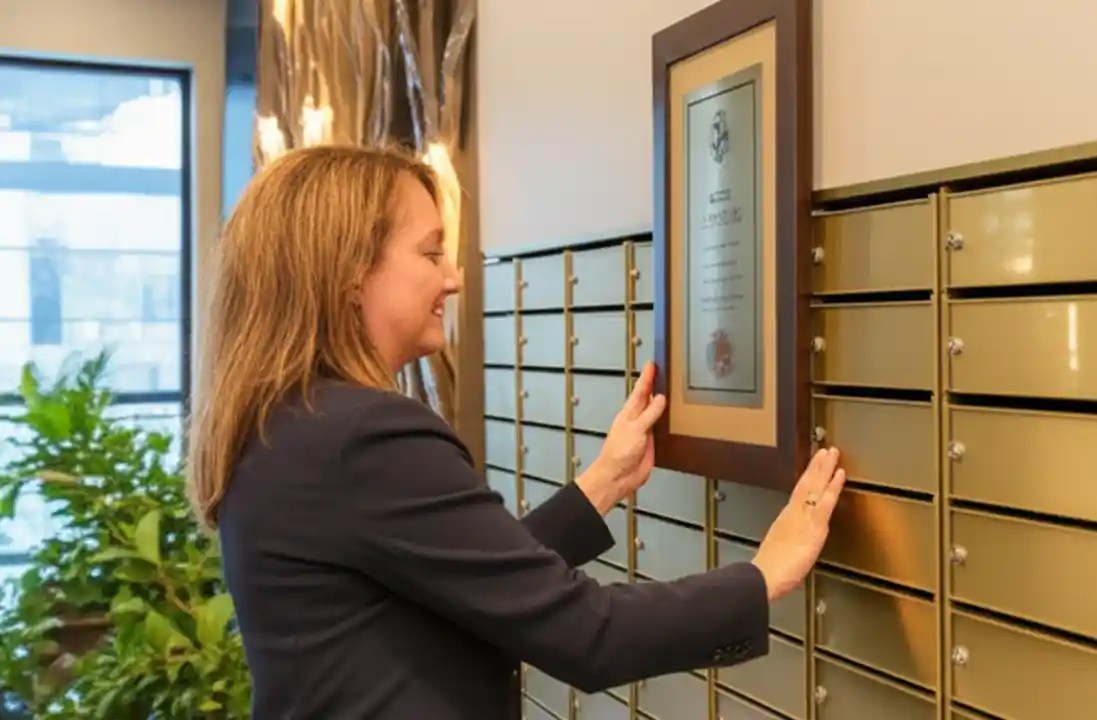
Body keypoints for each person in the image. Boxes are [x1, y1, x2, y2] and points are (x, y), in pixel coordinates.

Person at [187, 144, 846, 720]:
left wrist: (599, 486)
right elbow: (588, 633)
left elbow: (454, 584)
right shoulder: (364, 435)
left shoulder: (289, 423)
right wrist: (762, 576)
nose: (452, 277)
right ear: (351, 276)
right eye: (429, 252)